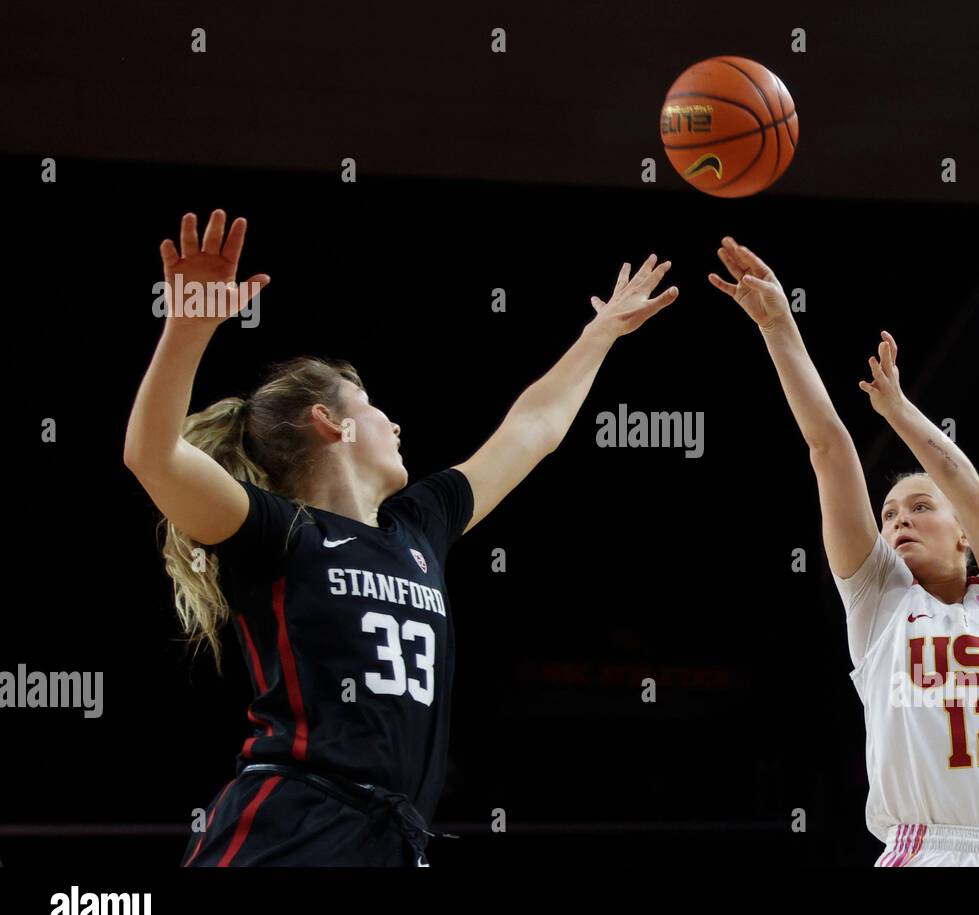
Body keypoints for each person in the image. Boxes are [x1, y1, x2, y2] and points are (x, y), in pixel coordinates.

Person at [123, 209, 678, 865]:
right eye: (372, 404)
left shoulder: (419, 525)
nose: (394, 421)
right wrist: (188, 329)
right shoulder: (276, 532)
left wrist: (601, 334)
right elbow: (151, 457)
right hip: (292, 824)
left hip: (389, 837)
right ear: (330, 422)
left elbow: (534, 426)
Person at [709, 236, 979, 867]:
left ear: (963, 535)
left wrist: (899, 410)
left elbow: (973, 494)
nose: (899, 519)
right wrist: (778, 326)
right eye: (890, 513)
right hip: (927, 849)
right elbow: (829, 447)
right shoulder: (879, 601)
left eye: (921, 507)